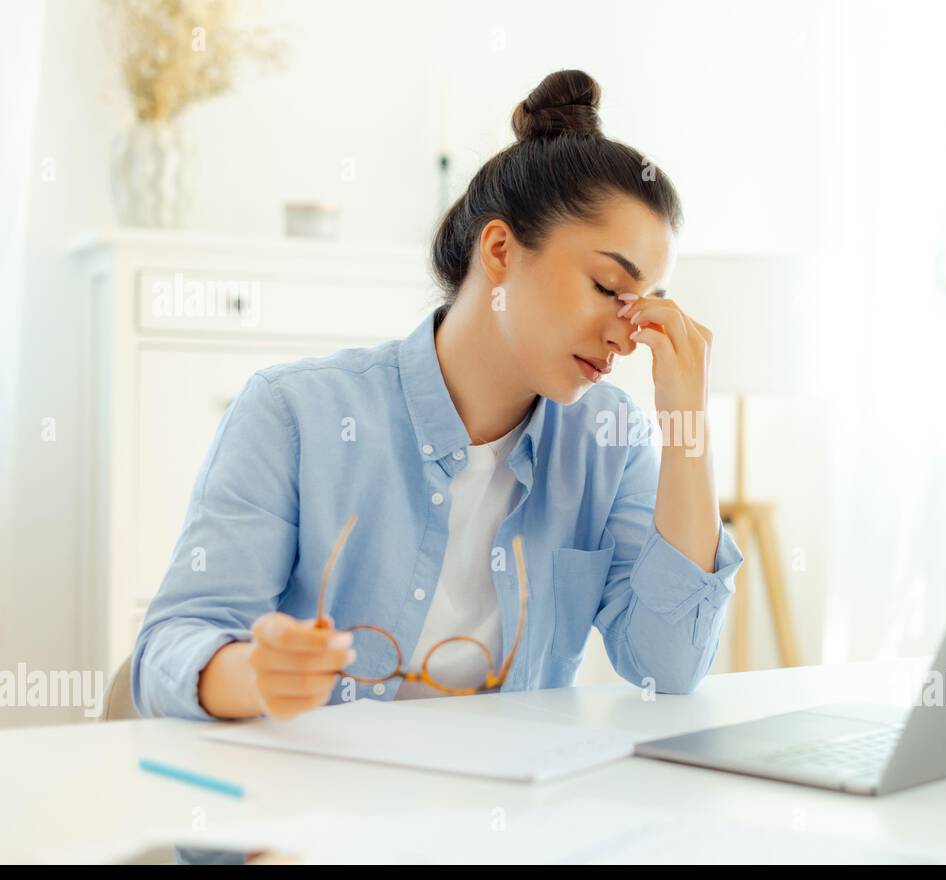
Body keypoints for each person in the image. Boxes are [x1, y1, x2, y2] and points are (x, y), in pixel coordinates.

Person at [132, 69, 744, 729]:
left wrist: (689, 428)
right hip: (314, 811)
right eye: (606, 286)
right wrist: (253, 675)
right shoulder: (294, 415)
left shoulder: (610, 441)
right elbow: (169, 647)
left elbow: (669, 666)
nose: (625, 335)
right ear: (502, 250)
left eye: (643, 305)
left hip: (507, 819)